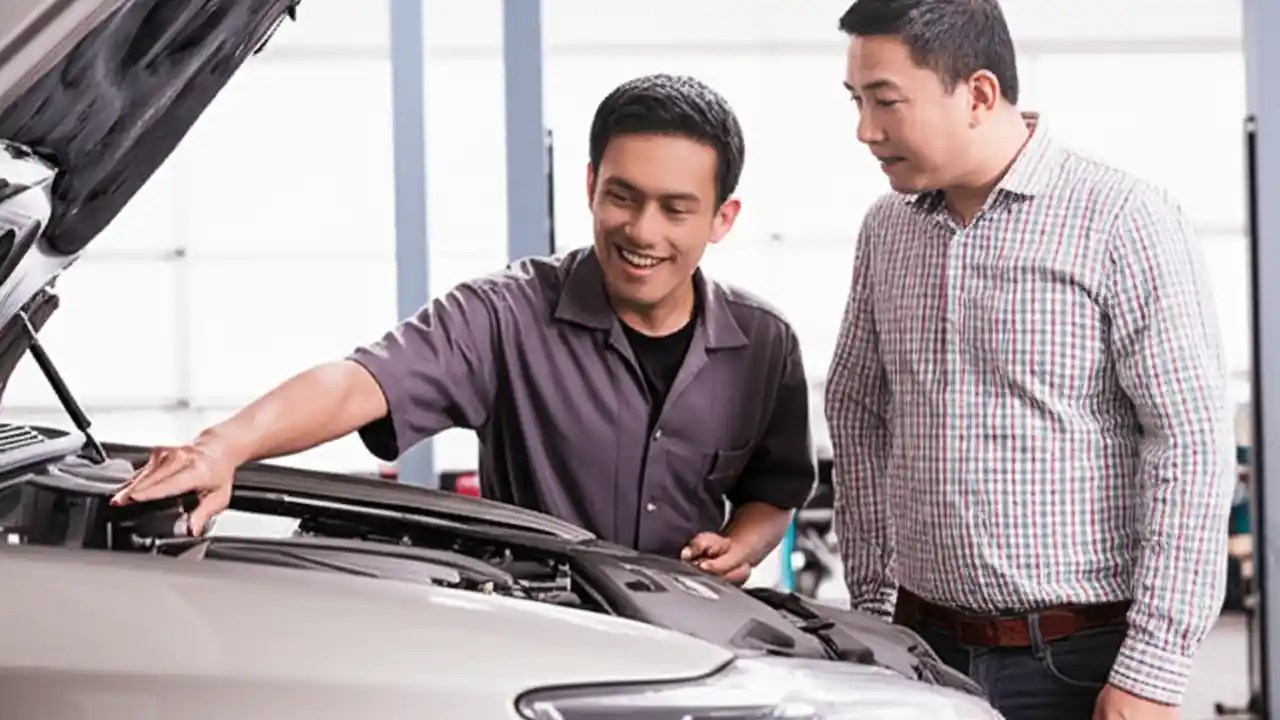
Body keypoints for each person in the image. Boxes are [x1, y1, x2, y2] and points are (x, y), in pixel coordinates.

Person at [110, 73, 816, 585]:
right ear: (590, 185)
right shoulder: (505, 315)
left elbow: (774, 491)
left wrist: (742, 546)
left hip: (697, 652)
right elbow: (359, 382)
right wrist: (223, 446)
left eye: (675, 209)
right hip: (538, 646)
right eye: (622, 198)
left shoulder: (765, 345)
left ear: (722, 218)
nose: (641, 231)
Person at [825, 1, 1233, 718]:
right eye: (856, 101)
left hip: (1079, 661)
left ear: (978, 93)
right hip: (920, 650)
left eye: (886, 101)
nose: (864, 130)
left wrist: (1153, 670)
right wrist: (874, 609)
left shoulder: (1122, 219)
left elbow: (1189, 443)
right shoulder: (887, 229)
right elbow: (857, 409)